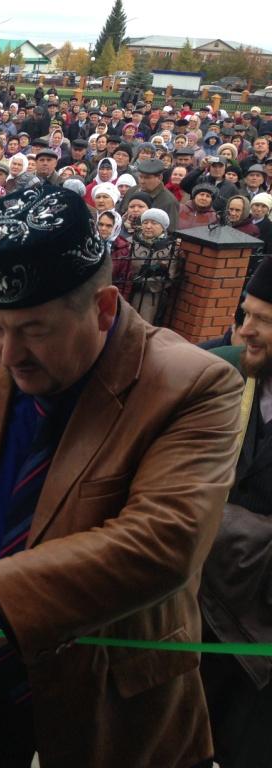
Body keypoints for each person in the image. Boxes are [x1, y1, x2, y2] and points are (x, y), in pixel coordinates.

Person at [0, 185, 241, 767]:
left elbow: (163, 542)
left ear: (103, 309)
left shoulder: (193, 386)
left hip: (112, 701)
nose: (8, 354)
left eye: (35, 331)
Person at [202, 256, 272, 768]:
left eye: (263, 320)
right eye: (245, 314)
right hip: (197, 615)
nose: (245, 330)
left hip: (262, 639)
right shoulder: (221, 370)